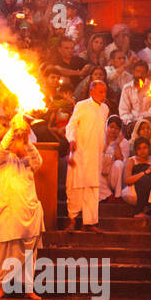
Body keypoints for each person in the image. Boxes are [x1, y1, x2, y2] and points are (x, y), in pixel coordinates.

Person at [0, 114, 44, 300]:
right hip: (9, 210)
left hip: (29, 210)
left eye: (19, 142)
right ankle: (3, 287)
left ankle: (28, 289)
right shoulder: (2, 160)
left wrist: (26, 141)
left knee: (29, 252)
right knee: (4, 250)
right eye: (15, 142)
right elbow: (3, 148)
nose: (16, 145)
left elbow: (38, 161)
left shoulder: (28, 161)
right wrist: (13, 129)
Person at [65, 80, 110, 231]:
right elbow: (71, 125)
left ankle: (89, 222)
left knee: (92, 187)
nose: (103, 95)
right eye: (100, 92)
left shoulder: (105, 109)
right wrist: (72, 139)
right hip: (81, 151)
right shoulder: (82, 105)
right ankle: (72, 219)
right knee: (76, 185)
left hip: (96, 154)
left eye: (105, 92)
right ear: (91, 91)